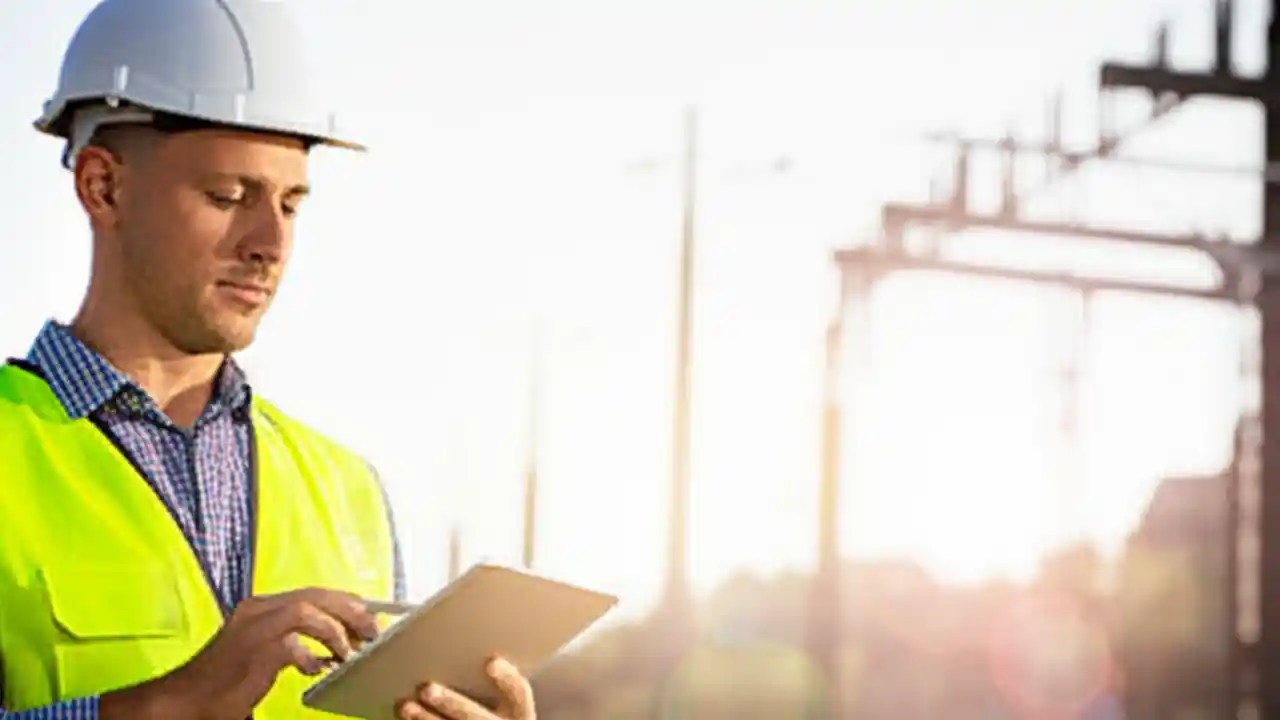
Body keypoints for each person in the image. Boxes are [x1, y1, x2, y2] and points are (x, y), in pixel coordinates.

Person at [0, 1, 537, 719]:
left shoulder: (349, 491)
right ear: (104, 186)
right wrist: (166, 708)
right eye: (229, 195)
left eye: (290, 204)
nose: (270, 243)